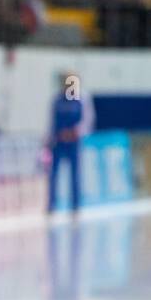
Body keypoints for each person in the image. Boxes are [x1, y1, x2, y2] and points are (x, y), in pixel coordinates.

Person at [46, 71, 94, 214]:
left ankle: (75, 205)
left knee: (75, 174)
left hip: (74, 143)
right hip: (58, 142)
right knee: (53, 175)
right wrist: (49, 138)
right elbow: (50, 121)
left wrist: (75, 133)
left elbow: (88, 121)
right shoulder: (56, 99)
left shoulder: (82, 99)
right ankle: (51, 204)